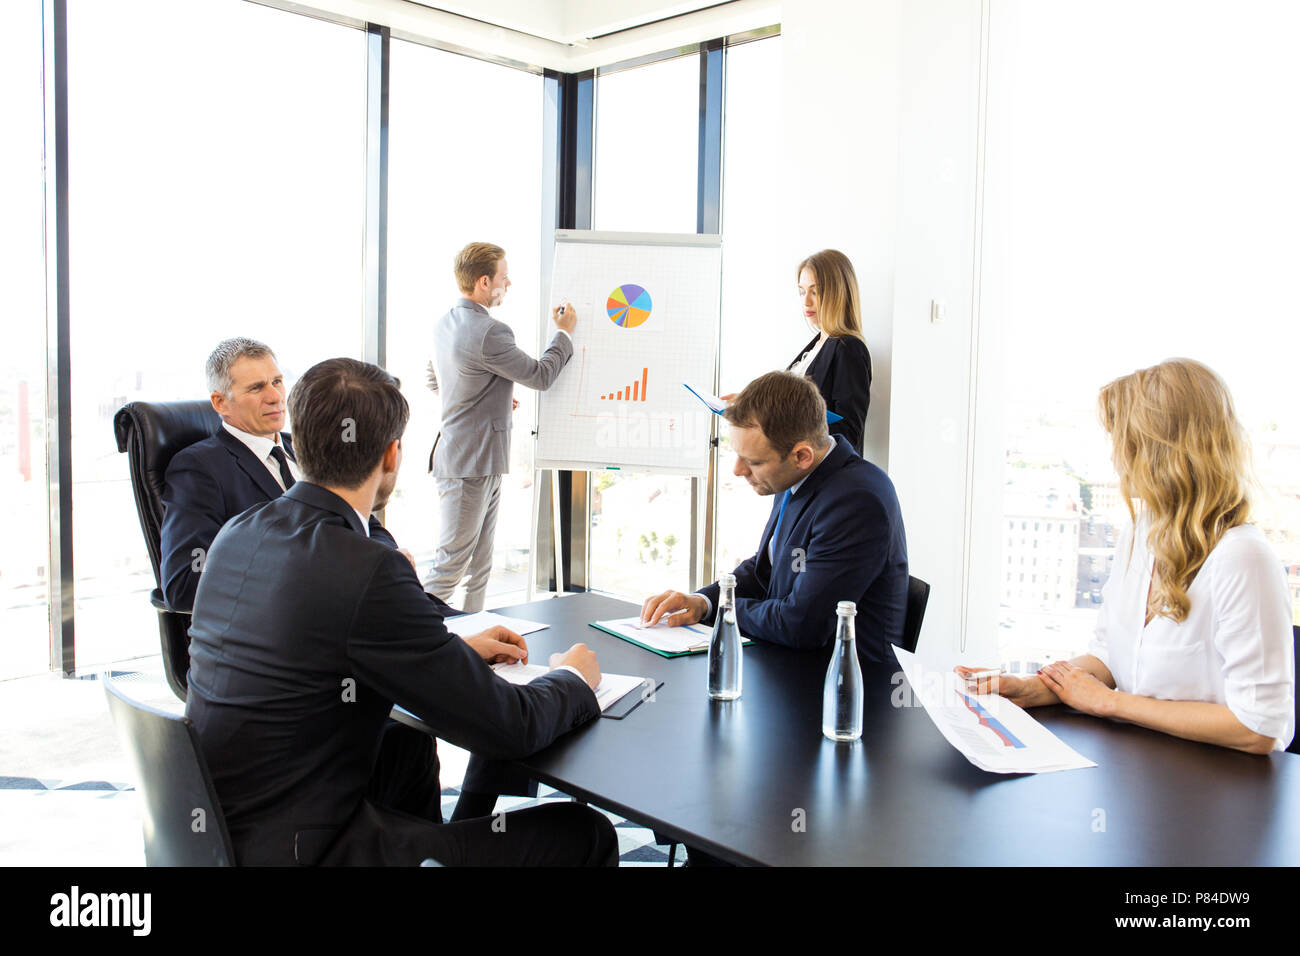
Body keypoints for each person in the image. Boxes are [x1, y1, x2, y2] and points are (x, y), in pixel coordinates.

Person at [185, 357, 617, 866]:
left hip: (226, 833)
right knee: (584, 833)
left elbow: (322, 647)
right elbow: (510, 726)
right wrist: (571, 678)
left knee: (405, 745)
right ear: (392, 455)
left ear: (299, 442)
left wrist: (449, 653)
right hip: (313, 851)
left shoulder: (238, 533)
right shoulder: (368, 567)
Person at [958, 359, 1295, 754]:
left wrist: (1112, 703)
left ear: (1159, 451)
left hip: (1217, 794)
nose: (1116, 458)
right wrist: (1038, 688)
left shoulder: (1243, 559)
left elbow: (1260, 727)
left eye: (1122, 440)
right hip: (1142, 772)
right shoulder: (1142, 534)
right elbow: (1110, 656)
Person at [642, 371, 908, 664]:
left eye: (754, 461)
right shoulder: (798, 475)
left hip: (843, 687)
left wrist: (722, 610)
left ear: (801, 455)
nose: (738, 470)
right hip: (787, 664)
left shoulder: (857, 501)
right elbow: (765, 568)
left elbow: (801, 625)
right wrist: (703, 601)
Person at [159, 337, 417, 613]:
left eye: (277, 381)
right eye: (257, 388)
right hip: (292, 623)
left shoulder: (303, 444)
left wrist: (387, 557)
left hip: (361, 602)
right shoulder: (200, 468)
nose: (275, 397)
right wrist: (328, 575)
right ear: (220, 402)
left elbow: (362, 518)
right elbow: (185, 583)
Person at [424, 241, 577, 612]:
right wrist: (564, 333)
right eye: (503, 278)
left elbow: (438, 380)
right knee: (451, 564)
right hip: (470, 463)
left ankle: (471, 640)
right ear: (482, 282)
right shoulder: (490, 331)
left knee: (479, 566)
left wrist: (492, 396)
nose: (508, 285)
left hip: (472, 457)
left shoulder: (444, 324)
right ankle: (407, 639)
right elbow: (540, 376)